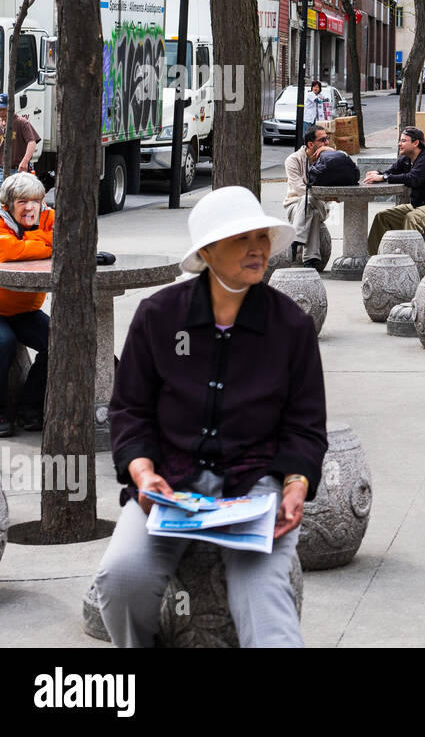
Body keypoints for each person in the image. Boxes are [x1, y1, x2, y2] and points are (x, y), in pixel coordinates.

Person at [92, 186, 328, 648]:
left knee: (265, 605)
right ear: (207, 251)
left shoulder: (290, 326)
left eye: (262, 236)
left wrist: (296, 485)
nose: (258, 248)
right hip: (169, 486)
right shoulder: (158, 317)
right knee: (121, 580)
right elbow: (130, 410)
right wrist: (142, 473)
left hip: (254, 486)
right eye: (242, 239)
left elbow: (305, 426)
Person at [0, 173, 53, 437]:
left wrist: (29, 242)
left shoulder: (46, 216)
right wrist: (44, 243)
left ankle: (30, 406)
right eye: (23, 201)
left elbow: (65, 237)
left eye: (36, 201)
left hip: (23, 308)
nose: (31, 207)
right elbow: (6, 251)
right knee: (2, 341)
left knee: (59, 339)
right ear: (8, 202)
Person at [363, 126, 425, 255]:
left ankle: (410, 261)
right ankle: (373, 258)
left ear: (415, 143)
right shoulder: (406, 159)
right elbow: (391, 172)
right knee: (382, 217)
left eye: (404, 141)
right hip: (417, 206)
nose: (399, 144)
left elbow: (413, 179)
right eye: (400, 140)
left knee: (412, 218)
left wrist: (384, 177)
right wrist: (378, 174)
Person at [284, 124, 334, 271]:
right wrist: (323, 195)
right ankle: (310, 259)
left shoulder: (328, 158)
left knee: (312, 202)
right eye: (323, 140)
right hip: (294, 206)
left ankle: (297, 239)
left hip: (321, 206)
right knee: (310, 205)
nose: (327, 143)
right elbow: (299, 189)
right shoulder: (292, 160)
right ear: (311, 144)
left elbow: (344, 170)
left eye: (327, 139)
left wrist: (331, 153)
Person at [0, 93, 40, 191]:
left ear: (10, 107)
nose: (0, 112)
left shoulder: (22, 123)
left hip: (20, 169)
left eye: (3, 109)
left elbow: (32, 142)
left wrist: (24, 162)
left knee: (21, 198)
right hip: (2, 171)